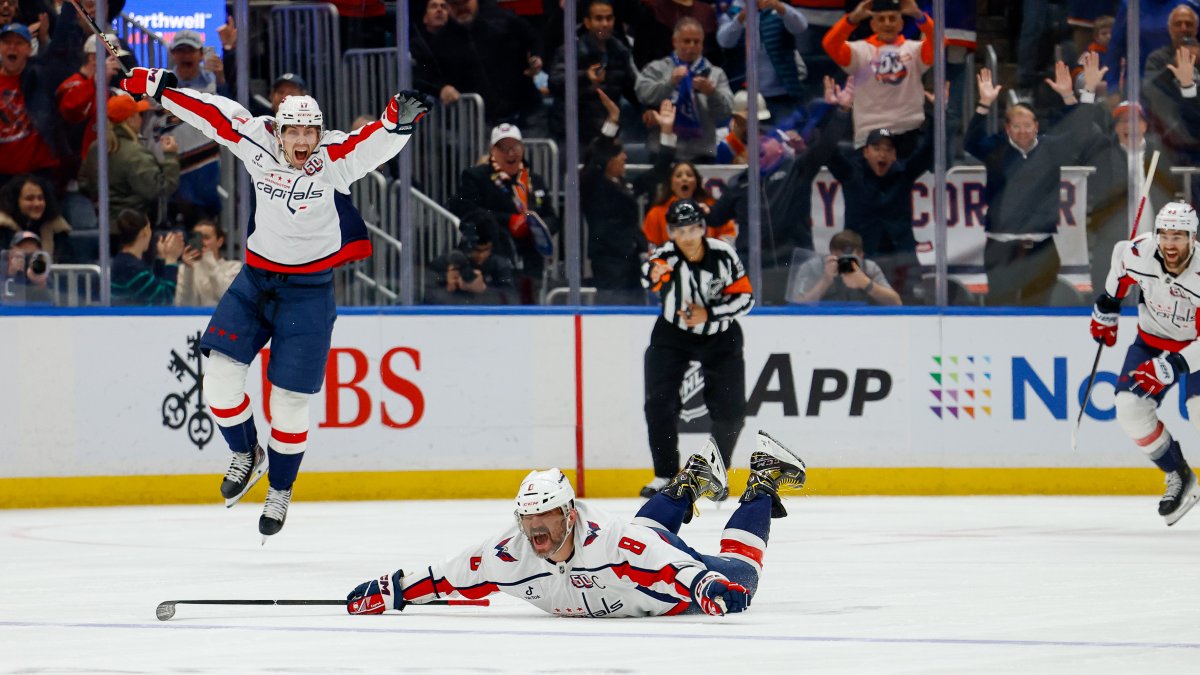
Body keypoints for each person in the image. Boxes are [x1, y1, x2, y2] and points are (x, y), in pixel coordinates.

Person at [116, 65, 430, 538]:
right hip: (255, 281)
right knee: (218, 383)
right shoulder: (256, 141)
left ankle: (280, 489)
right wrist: (162, 91)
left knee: (288, 403)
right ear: (277, 131)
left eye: (311, 131)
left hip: (308, 293)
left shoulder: (333, 157)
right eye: (294, 131)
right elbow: (211, 114)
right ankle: (246, 453)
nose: (302, 141)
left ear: (320, 133)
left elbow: (371, 143)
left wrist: (394, 123)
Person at [346, 431, 806, 617]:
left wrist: (708, 586)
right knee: (643, 539)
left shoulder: (612, 543)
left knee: (741, 574)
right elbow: (448, 576)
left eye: (544, 515)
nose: (535, 529)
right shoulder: (508, 552)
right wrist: (392, 589)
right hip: (641, 547)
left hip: (664, 594)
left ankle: (764, 479)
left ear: (569, 514)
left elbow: (670, 566)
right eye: (527, 518)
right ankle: (688, 483)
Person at [1089, 201, 1200, 526]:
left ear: (1193, 238)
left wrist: (1174, 365)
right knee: (1128, 407)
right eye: (1164, 234)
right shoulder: (1139, 252)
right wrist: (1107, 307)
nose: (1169, 243)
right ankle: (1179, 475)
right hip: (1151, 341)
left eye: (1178, 236)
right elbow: (1119, 262)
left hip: (1195, 350)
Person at [639, 198, 754, 497]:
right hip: (672, 334)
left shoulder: (723, 255)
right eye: (680, 231)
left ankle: (715, 474)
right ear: (671, 233)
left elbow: (746, 299)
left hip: (720, 333)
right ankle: (665, 474)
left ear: (702, 228)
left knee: (732, 410)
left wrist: (710, 314)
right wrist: (654, 274)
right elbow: (649, 274)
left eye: (692, 229)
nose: (687, 237)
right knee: (658, 403)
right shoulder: (665, 255)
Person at [966, 56, 1102, 306]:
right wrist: (984, 105)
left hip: (1042, 247)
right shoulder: (997, 149)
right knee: (999, 306)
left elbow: (1081, 134)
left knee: (1038, 306)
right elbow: (971, 143)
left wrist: (1079, 96)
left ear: (1036, 126)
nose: (1022, 131)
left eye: (1027, 125)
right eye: (1016, 126)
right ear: (1007, 128)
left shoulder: (1051, 149)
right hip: (1000, 246)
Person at [824, 77, 932, 302]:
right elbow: (827, 150)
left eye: (888, 150)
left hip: (901, 259)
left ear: (894, 154)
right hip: (859, 257)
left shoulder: (903, 174)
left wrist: (935, 112)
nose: (882, 154)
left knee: (908, 307)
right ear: (866, 152)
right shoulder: (852, 174)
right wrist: (840, 112)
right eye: (876, 148)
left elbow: (929, 151)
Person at [447, 122, 557, 305]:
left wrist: (540, 228)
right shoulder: (476, 176)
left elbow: (552, 216)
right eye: (503, 148)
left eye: (514, 147)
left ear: (522, 148)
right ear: (493, 150)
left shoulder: (534, 180)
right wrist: (509, 221)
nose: (510, 153)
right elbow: (464, 207)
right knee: (500, 308)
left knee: (529, 312)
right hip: (494, 259)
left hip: (530, 261)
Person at [821, 0, 934, 151]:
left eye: (893, 18)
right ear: (873, 25)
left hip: (909, 131)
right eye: (881, 19)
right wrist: (852, 19)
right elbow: (830, 44)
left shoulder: (915, 50)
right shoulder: (858, 51)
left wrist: (919, 16)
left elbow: (939, 43)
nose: (887, 24)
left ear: (901, 24)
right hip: (870, 133)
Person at [635, 16, 734, 162]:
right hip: (662, 151)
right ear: (675, 42)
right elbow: (643, 94)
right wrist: (670, 83)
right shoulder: (657, 68)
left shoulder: (715, 74)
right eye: (686, 41)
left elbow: (725, 112)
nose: (691, 46)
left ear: (702, 44)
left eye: (697, 42)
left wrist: (712, 94)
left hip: (703, 153)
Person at [80, 92, 180, 224]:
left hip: (104, 225)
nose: (141, 119)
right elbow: (160, 188)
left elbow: (84, 183)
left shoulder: (96, 148)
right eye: (139, 115)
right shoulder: (135, 153)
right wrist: (170, 156)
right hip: (133, 227)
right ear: (130, 120)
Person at [547, 0, 637, 146]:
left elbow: (632, 88)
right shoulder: (570, 50)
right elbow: (554, 82)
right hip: (573, 134)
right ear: (587, 23)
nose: (605, 24)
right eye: (599, 19)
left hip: (607, 129)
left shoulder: (620, 52)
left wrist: (648, 109)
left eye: (609, 18)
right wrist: (584, 76)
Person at [716, 0, 809, 122]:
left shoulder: (777, 7)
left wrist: (779, 7)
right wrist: (742, 17)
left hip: (782, 94)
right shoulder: (730, 12)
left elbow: (800, 27)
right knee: (746, 139)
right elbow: (725, 41)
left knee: (785, 137)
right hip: (744, 97)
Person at [789, 230, 901, 305]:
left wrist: (866, 283)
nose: (845, 263)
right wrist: (825, 281)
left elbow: (896, 302)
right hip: (823, 321)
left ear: (861, 255)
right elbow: (797, 306)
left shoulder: (869, 268)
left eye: (851, 259)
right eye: (839, 258)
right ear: (831, 254)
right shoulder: (812, 267)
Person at [642, 160, 736, 248]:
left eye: (689, 175)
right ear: (671, 184)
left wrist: (713, 252)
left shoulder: (711, 208)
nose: (684, 179)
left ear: (696, 182)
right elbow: (650, 246)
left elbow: (729, 235)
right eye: (678, 176)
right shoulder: (656, 213)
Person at [109, 209, 183, 306]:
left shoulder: (127, 262)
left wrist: (160, 258)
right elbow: (164, 300)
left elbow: (154, 288)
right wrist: (172, 260)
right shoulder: (131, 268)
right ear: (144, 232)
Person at [0, 173, 71, 261]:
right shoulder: (2, 228)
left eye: (40, 198)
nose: (37, 204)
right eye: (30, 199)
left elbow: (65, 263)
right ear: (14, 202)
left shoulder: (57, 229)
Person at [174, 218, 242, 307]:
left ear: (219, 241)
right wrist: (188, 270)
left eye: (206, 238)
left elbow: (228, 299)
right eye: (197, 237)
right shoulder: (184, 269)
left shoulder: (234, 267)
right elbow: (183, 304)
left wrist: (209, 260)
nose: (202, 242)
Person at [1, 229, 52, 304]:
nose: (26, 256)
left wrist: (40, 286)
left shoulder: (41, 266)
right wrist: (10, 274)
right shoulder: (3, 265)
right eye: (23, 249)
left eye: (31, 253)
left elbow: (49, 304)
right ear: (12, 251)